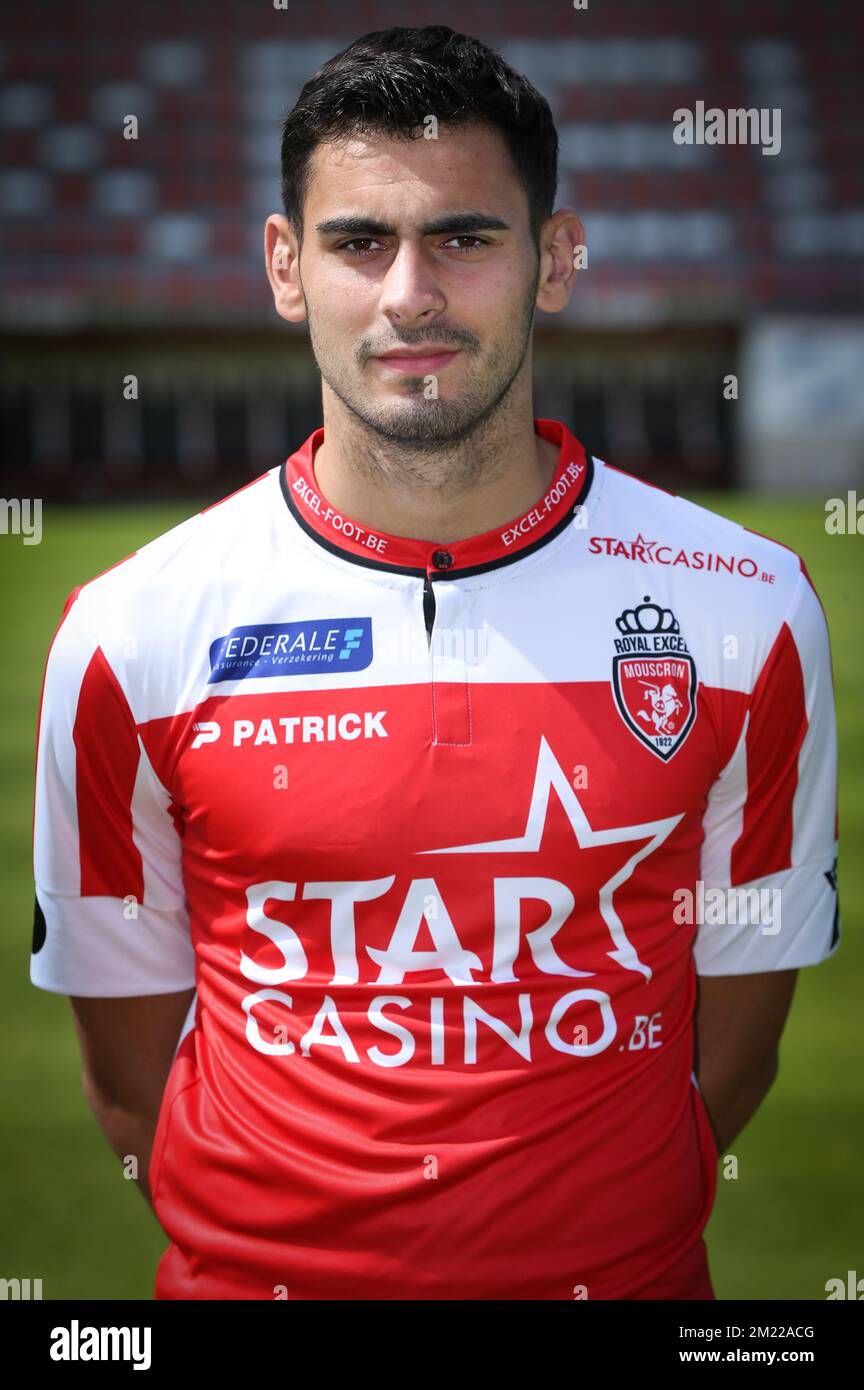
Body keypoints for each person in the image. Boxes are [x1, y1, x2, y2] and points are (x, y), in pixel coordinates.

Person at [30, 24, 840, 1301]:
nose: (410, 291)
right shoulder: (132, 633)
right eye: (360, 242)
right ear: (287, 269)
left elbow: (733, 1049)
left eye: (464, 237)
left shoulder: (747, 609)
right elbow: (134, 1079)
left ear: (555, 261)